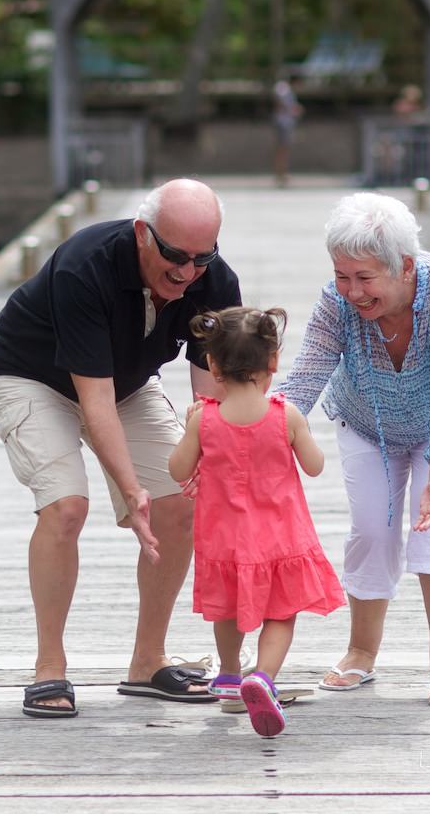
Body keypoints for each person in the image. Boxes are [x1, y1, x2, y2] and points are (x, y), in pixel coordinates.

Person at [0, 178, 241, 717]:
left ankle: (147, 661)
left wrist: (207, 452)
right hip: (32, 375)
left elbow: (209, 387)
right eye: (174, 256)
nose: (187, 272)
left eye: (201, 258)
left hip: (125, 380)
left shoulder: (213, 280)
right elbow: (91, 401)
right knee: (67, 505)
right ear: (144, 234)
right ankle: (50, 665)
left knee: (180, 500)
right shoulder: (85, 265)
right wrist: (130, 490)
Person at [280, 192, 430, 706]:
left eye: (365, 277)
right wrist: (249, 427)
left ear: (403, 266)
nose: (352, 291)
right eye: (342, 276)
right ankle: (361, 651)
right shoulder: (335, 302)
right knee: (373, 527)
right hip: (365, 417)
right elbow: (308, 374)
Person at [169, 306, 345, 737]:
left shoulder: (205, 419)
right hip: (280, 537)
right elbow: (315, 466)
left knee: (225, 608)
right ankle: (262, 677)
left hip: (223, 538)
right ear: (273, 361)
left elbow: (177, 469)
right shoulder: (284, 415)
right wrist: (302, 435)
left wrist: (192, 427)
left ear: (212, 364)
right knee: (281, 612)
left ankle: (230, 674)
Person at [272, 77, 303, 186]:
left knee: (284, 149)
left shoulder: (289, 91)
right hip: (283, 124)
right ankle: (281, 175)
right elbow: (279, 102)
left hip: (286, 124)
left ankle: (282, 174)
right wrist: (293, 109)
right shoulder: (284, 89)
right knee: (282, 150)